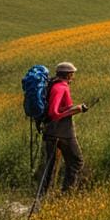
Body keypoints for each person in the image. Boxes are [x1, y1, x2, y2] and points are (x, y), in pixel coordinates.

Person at [38, 62, 87, 194]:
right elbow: (54, 113)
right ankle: (66, 195)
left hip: (50, 132)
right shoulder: (61, 88)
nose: (73, 77)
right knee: (76, 161)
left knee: (50, 166)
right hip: (63, 132)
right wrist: (76, 110)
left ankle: (44, 196)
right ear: (69, 75)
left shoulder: (54, 85)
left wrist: (71, 108)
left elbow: (55, 109)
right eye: (72, 74)